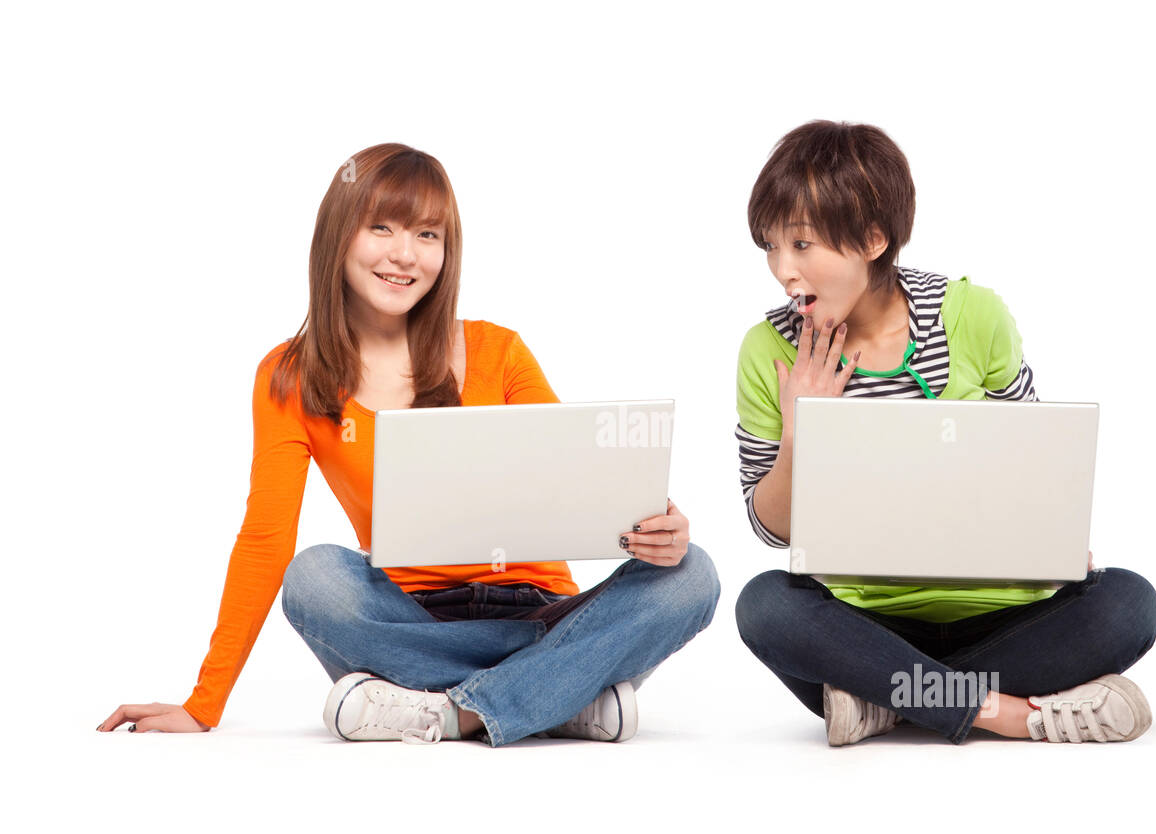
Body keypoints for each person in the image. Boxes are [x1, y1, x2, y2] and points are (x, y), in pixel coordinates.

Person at [98, 143, 720, 746]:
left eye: (428, 235)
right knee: (314, 578)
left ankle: (458, 712)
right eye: (383, 228)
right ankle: (562, 694)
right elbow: (266, 538)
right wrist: (204, 704)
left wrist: (655, 526)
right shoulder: (288, 376)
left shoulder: (497, 350)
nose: (405, 255)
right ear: (338, 235)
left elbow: (578, 479)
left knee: (691, 576)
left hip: (541, 612)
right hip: (407, 618)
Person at [733, 120, 1156, 746]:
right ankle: (1013, 713)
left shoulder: (972, 316)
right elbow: (772, 530)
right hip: (866, 623)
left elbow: (1037, 462)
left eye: (801, 245)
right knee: (765, 606)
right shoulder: (768, 349)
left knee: (1129, 603)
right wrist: (799, 435)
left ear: (873, 239)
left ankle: (886, 699)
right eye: (771, 247)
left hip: (1006, 616)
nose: (781, 269)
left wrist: (1055, 538)